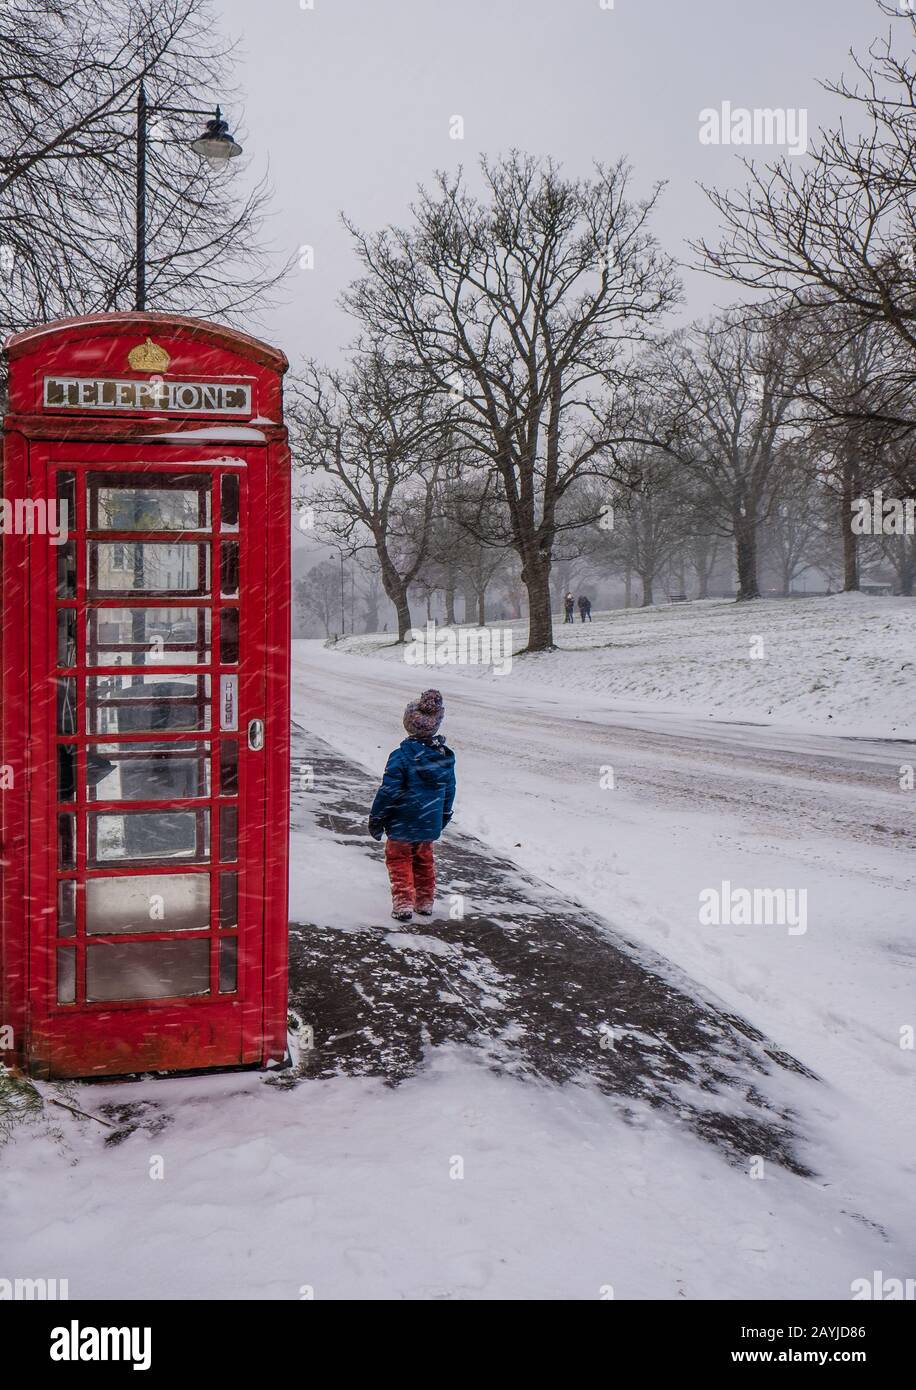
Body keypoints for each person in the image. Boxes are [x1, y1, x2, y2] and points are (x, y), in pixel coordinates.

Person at [368, 689, 456, 923]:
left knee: (399, 861)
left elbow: (388, 791)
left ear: (408, 725)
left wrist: (377, 819)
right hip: (428, 822)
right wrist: (444, 815)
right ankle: (425, 901)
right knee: (424, 861)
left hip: (401, 822)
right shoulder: (445, 757)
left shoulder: (400, 756)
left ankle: (404, 902)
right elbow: (449, 790)